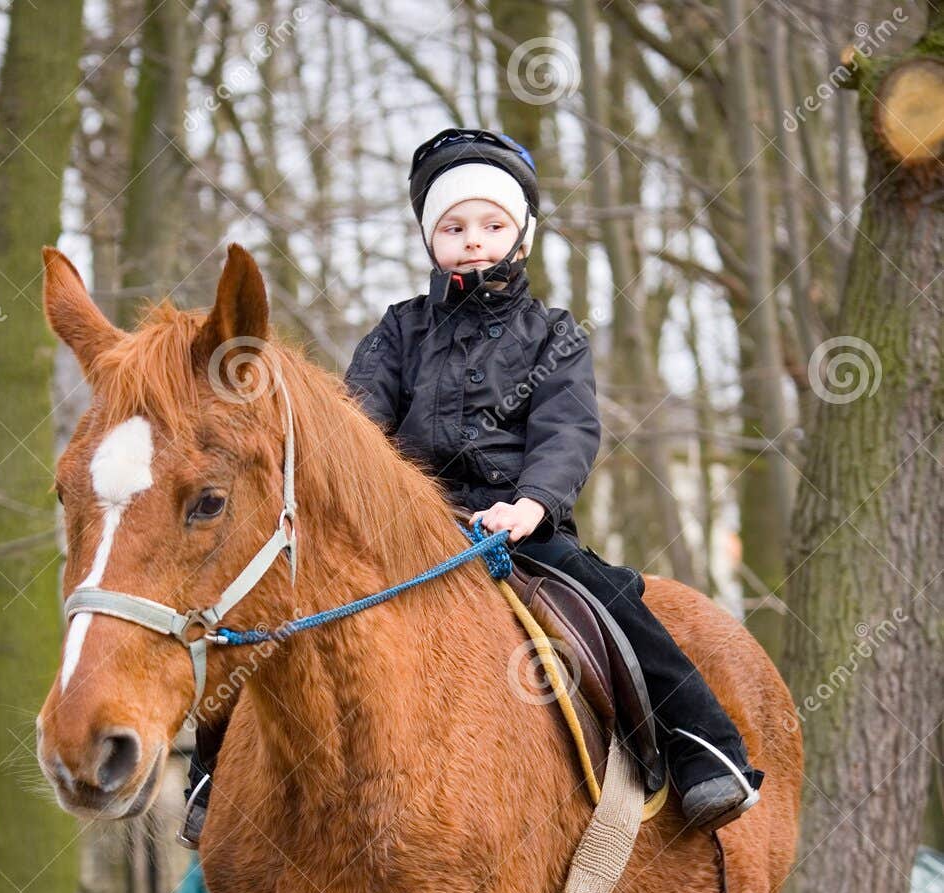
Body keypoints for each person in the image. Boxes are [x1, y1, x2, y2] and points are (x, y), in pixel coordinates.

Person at [178, 127, 761, 849]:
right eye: (453, 227)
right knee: (279, 611)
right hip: (407, 532)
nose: (473, 240)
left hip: (519, 528)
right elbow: (356, 427)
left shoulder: (555, 337)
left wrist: (532, 503)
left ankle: (703, 745)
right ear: (431, 239)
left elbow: (568, 432)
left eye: (492, 224)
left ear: (522, 236)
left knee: (613, 602)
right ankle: (213, 771)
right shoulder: (398, 333)